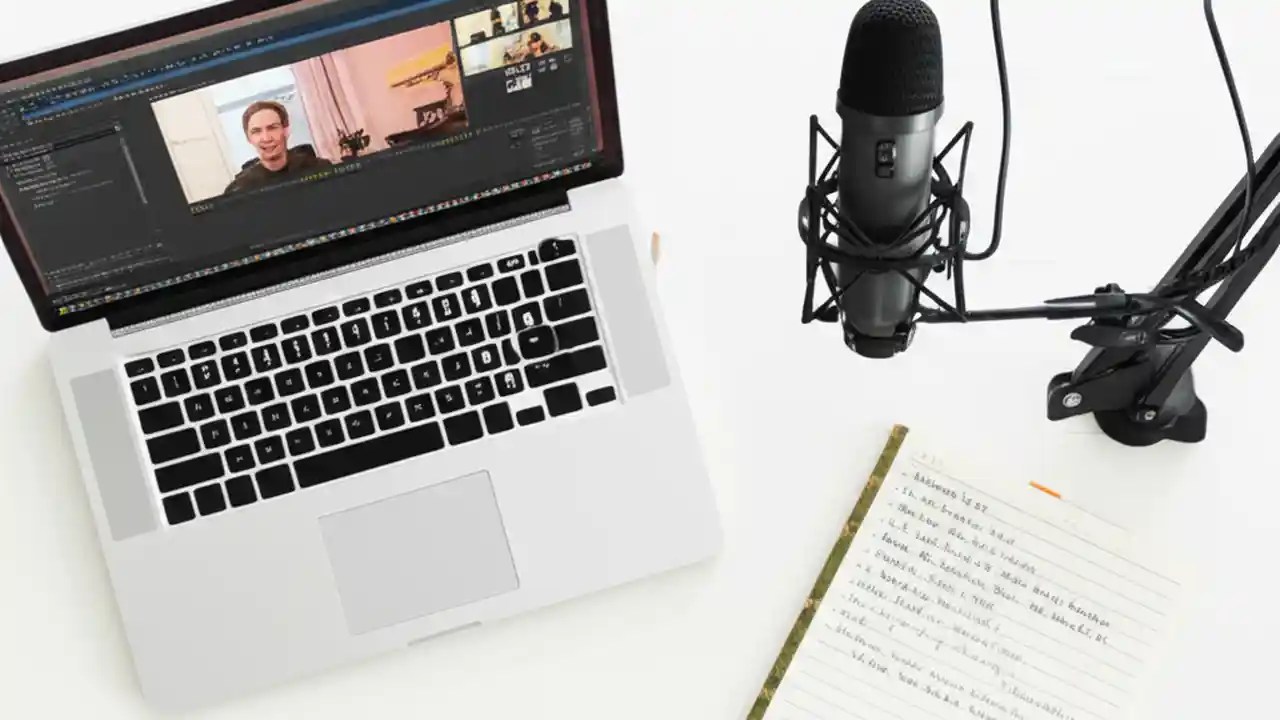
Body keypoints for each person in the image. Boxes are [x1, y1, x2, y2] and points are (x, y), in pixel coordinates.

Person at [224, 100, 332, 195]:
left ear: (286, 131)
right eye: (256, 131)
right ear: (249, 138)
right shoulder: (238, 190)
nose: (266, 138)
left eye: (272, 128)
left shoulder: (320, 168)